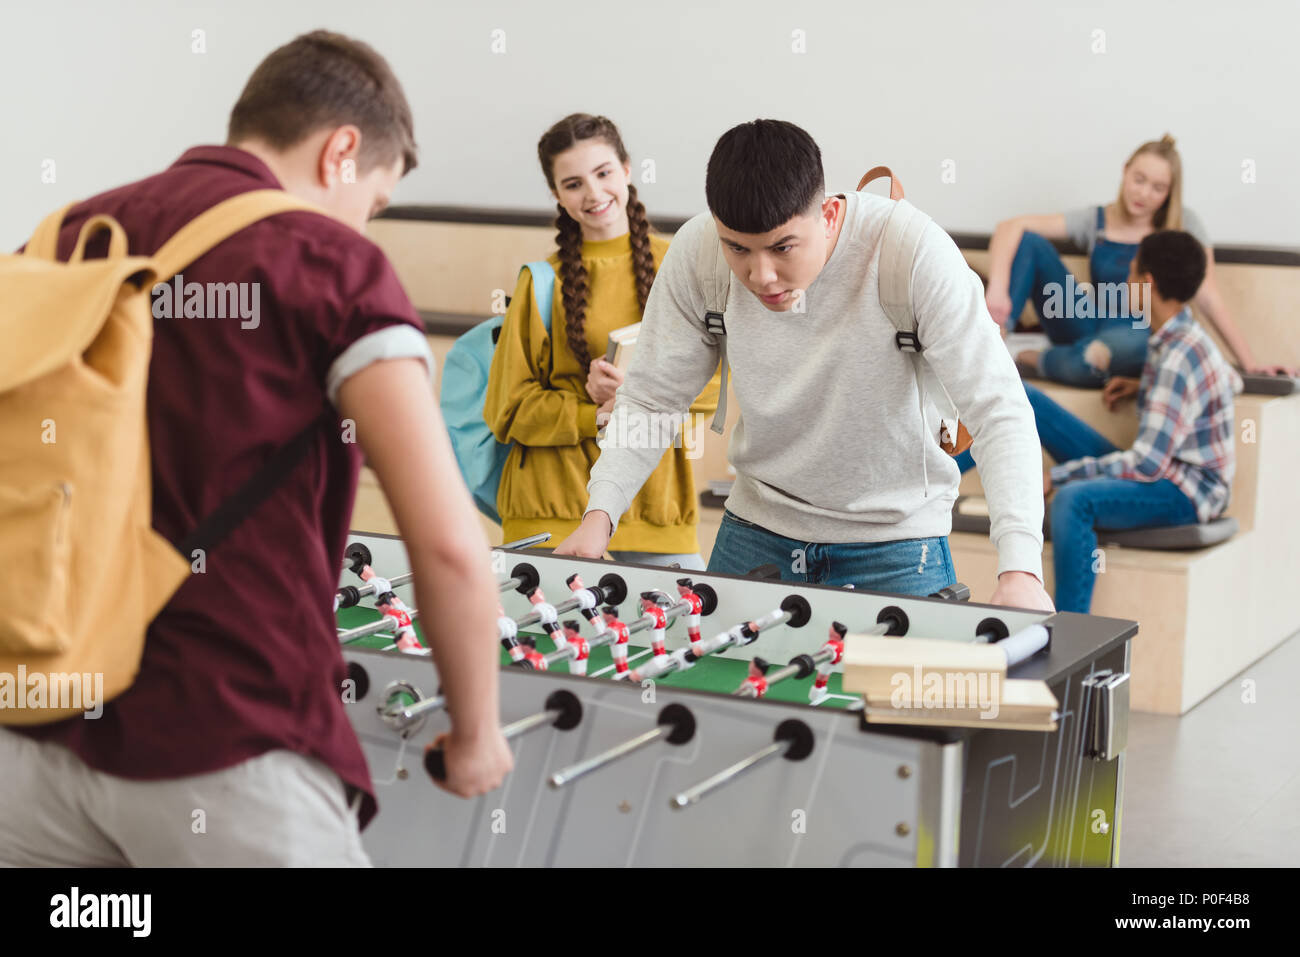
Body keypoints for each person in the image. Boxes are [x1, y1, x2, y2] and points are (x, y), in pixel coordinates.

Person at [0, 31, 511, 867]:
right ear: (342, 151)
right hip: (223, 737)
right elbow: (450, 545)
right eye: (375, 202)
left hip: (31, 735)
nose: (365, 223)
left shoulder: (62, 236)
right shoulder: (331, 266)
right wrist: (478, 733)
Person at [556, 119, 1053, 611]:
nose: (761, 275)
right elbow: (652, 399)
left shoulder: (912, 253)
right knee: (719, 688)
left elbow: (998, 411)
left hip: (897, 548)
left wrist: (1021, 567)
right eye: (738, 249)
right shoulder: (699, 252)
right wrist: (599, 515)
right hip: (755, 532)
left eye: (782, 247)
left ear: (830, 215)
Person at [484, 114, 719, 569]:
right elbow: (506, 409)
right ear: (556, 194)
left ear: (627, 170)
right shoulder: (541, 281)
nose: (592, 193)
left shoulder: (682, 263)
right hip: (549, 510)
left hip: (656, 508)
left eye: (603, 173)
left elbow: (716, 386)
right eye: (573, 184)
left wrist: (635, 392)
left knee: (674, 637)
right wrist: (595, 414)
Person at [984, 134, 1297, 387]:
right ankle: (991, 340)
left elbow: (1210, 299)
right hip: (1086, 319)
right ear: (1125, 171)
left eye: (1158, 188)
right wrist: (997, 292)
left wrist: (1251, 365)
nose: (1144, 193)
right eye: (1139, 179)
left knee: (1090, 359)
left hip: (1137, 333)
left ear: (1170, 193)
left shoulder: (1184, 226)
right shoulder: (1097, 219)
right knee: (1029, 241)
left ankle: (1032, 356)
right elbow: (1010, 227)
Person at [1037, 231, 1240, 613]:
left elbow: (1146, 465)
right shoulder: (1176, 339)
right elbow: (1232, 380)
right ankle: (945, 474)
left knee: (1071, 500)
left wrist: (1059, 476)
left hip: (1186, 492)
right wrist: (1144, 385)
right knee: (1030, 402)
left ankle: (1069, 638)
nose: (1125, 284)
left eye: (1131, 275)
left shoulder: (1179, 357)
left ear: (1148, 284)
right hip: (1163, 467)